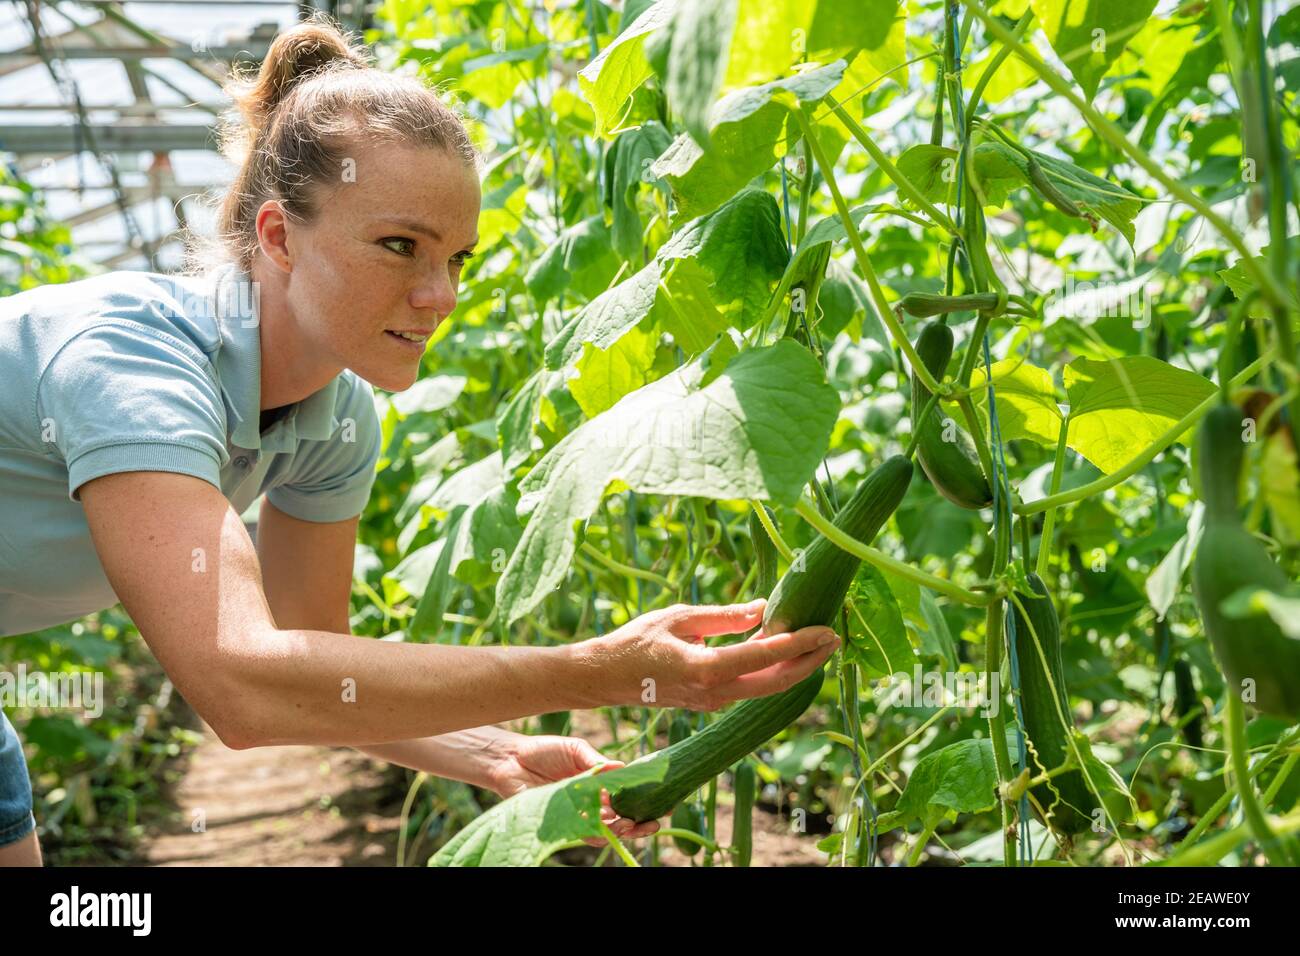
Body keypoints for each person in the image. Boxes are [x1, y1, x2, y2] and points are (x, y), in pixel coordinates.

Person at [0, 17, 839, 867]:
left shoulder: (337, 421)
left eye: (459, 259)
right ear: (279, 237)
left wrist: (495, 755)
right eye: (400, 246)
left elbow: (317, 671)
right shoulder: (133, 364)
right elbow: (244, 686)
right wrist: (600, 668)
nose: (439, 296)